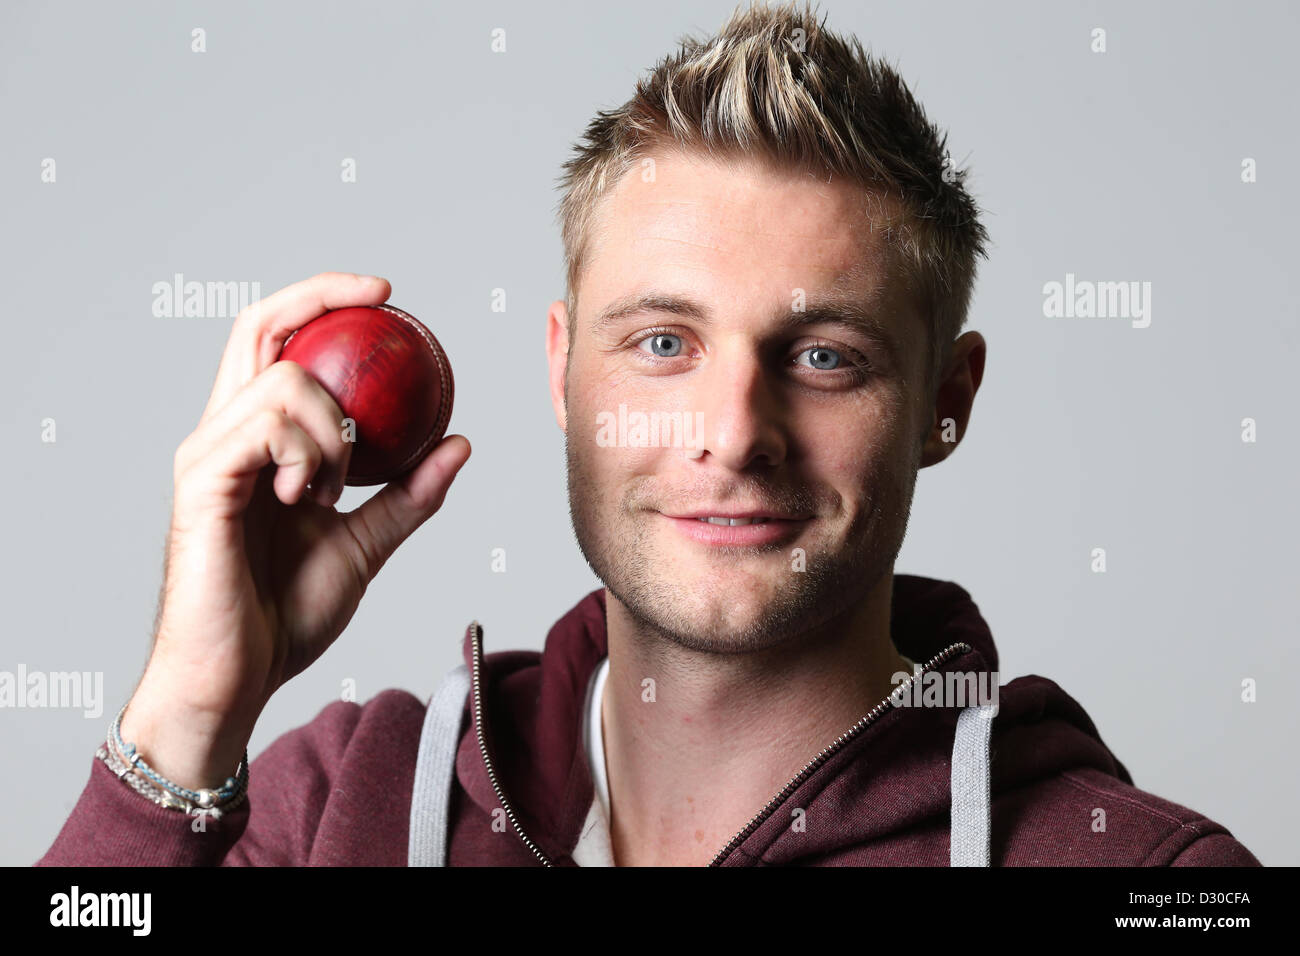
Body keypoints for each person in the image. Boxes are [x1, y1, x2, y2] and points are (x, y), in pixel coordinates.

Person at [37, 1, 1259, 867]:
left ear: (950, 398)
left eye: (824, 355)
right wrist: (185, 714)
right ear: (564, 370)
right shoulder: (331, 808)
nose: (732, 433)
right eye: (664, 343)